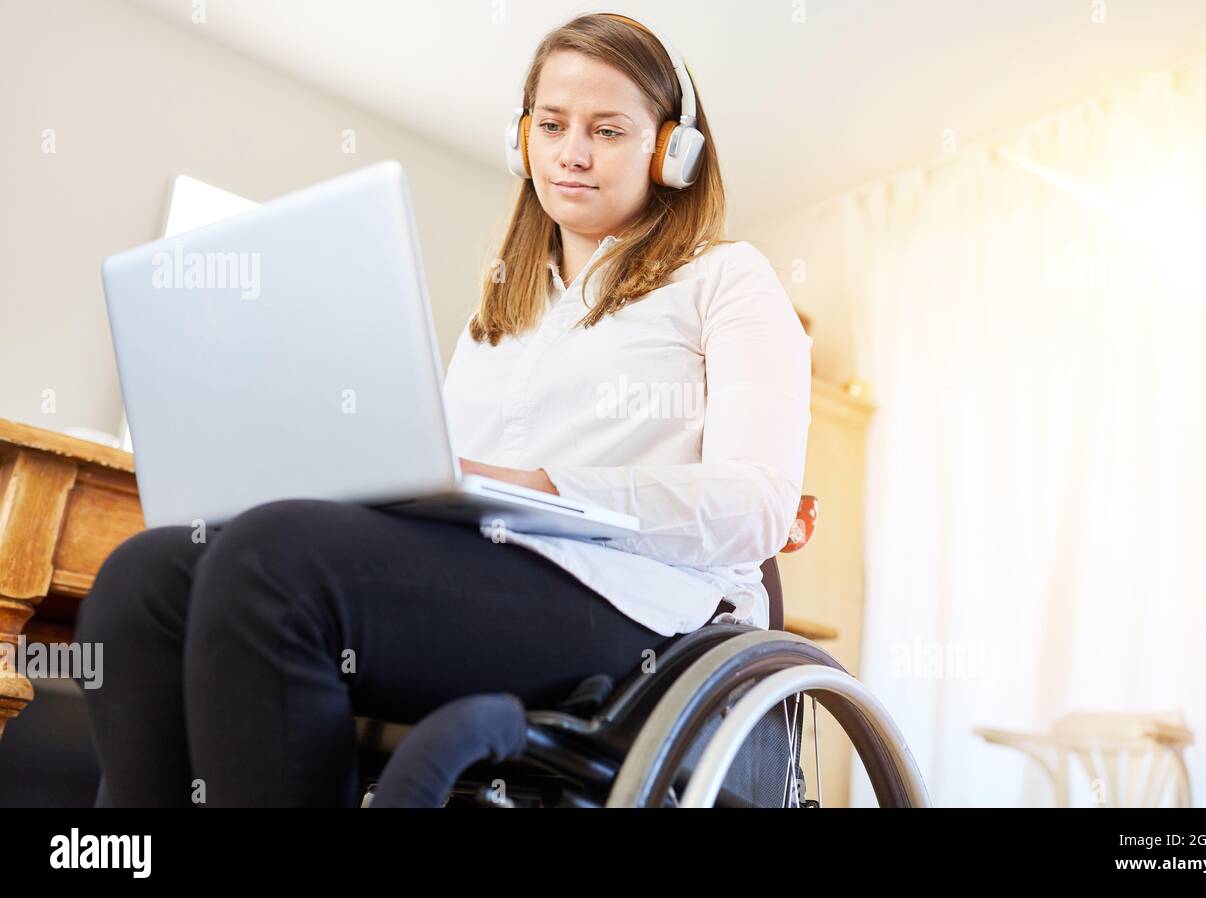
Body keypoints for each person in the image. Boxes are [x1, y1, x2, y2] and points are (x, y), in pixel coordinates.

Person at [74, 12, 811, 807]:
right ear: (521, 139)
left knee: (273, 563)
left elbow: (756, 505)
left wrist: (542, 484)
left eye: (607, 129)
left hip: (646, 613)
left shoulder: (727, 279)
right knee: (142, 580)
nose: (571, 152)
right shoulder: (497, 317)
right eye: (553, 125)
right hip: (488, 567)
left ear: (672, 153)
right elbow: (449, 477)